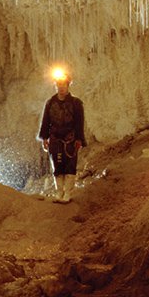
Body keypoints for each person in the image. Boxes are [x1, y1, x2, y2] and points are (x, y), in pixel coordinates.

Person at [38, 68, 85, 203]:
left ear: (68, 85)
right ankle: (59, 192)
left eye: (64, 85)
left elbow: (79, 122)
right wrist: (45, 138)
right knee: (57, 166)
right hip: (55, 139)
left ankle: (68, 193)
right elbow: (46, 121)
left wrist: (79, 139)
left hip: (70, 138)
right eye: (59, 85)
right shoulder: (50, 103)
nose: (61, 87)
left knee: (70, 165)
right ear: (56, 86)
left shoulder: (76, 103)